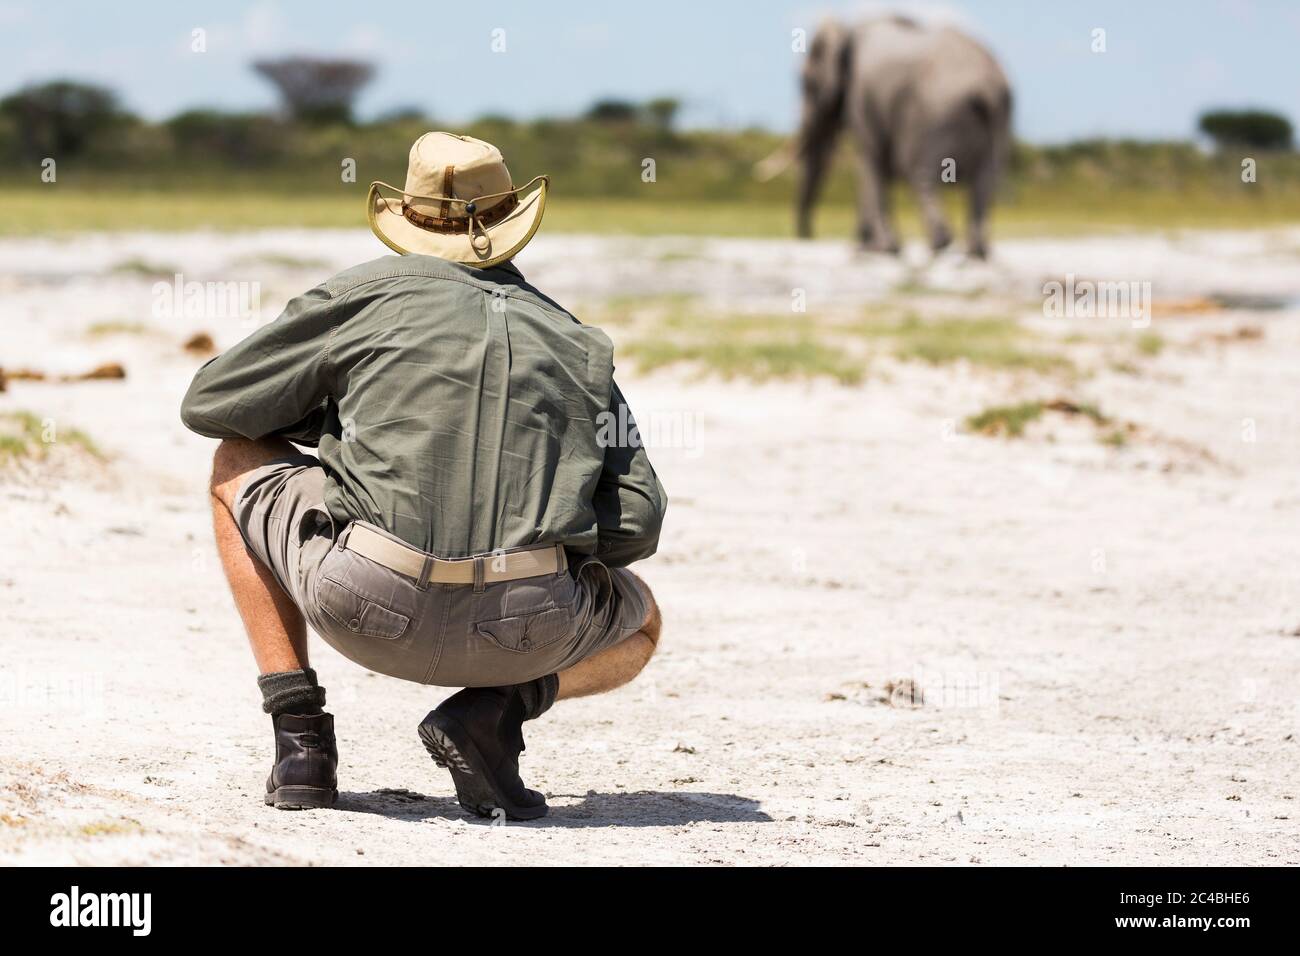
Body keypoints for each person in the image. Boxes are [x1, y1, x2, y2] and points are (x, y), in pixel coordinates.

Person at [180, 133, 666, 820]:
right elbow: (639, 521)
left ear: (405, 217)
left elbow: (213, 406)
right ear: (510, 223)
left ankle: (300, 743)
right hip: (533, 628)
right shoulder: (575, 338)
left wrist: (336, 429)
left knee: (234, 457)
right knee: (643, 622)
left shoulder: (360, 296)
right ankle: (493, 711)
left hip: (363, 607)